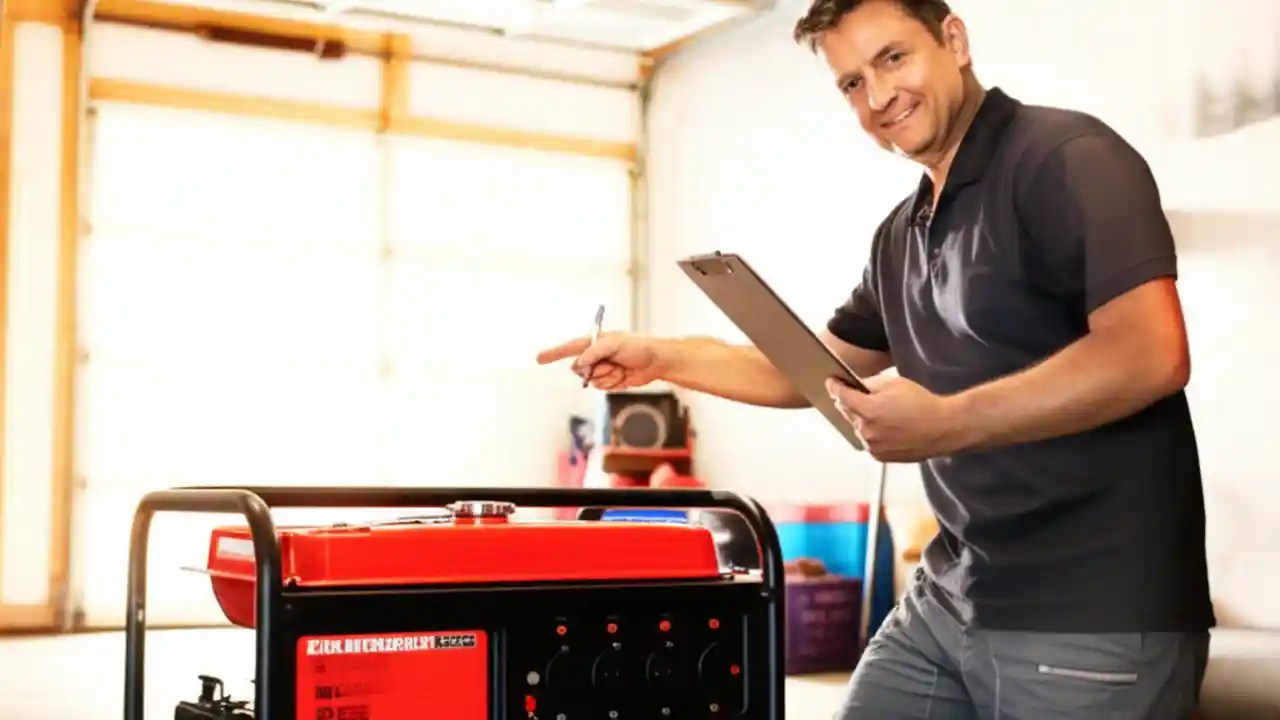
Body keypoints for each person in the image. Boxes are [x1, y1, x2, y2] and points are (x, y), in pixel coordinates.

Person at [536, 0, 1214, 717]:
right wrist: (662, 356)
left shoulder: (1067, 157)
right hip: (952, 598)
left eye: (893, 58)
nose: (878, 96)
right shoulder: (901, 232)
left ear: (953, 40)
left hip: (1088, 608)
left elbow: (1150, 354)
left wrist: (948, 422)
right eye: (851, 83)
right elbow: (810, 370)